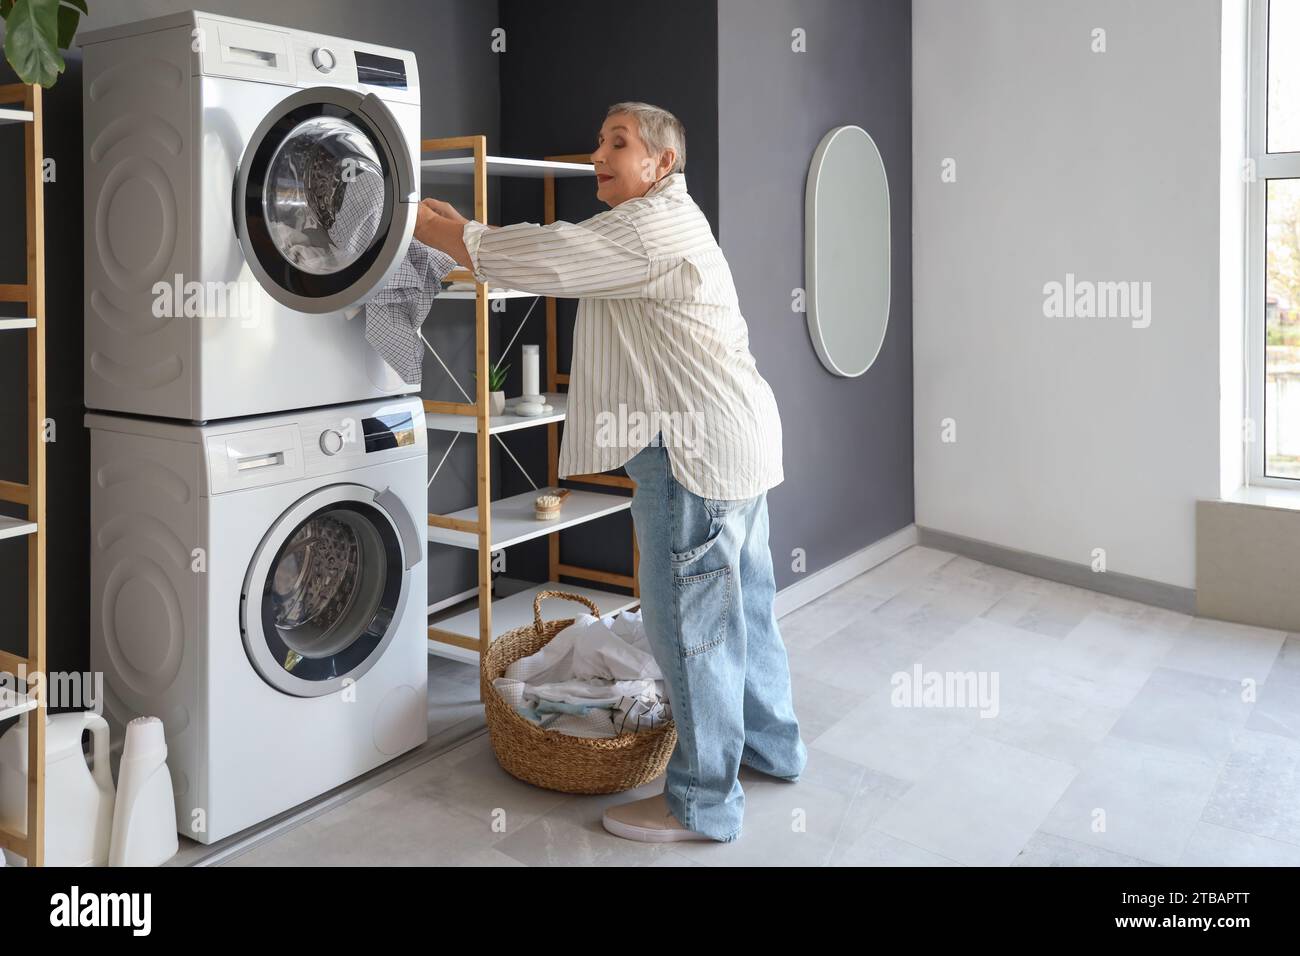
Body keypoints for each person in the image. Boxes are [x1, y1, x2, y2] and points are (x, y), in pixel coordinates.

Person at [414, 101, 805, 844]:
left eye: (617, 142)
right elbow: (568, 248)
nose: (598, 153)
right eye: (598, 139)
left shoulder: (649, 226)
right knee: (743, 614)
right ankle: (771, 748)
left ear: (662, 163)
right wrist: (462, 236)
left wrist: (452, 235)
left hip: (695, 456)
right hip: (736, 444)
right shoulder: (660, 222)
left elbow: (555, 256)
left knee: (692, 633)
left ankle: (702, 803)